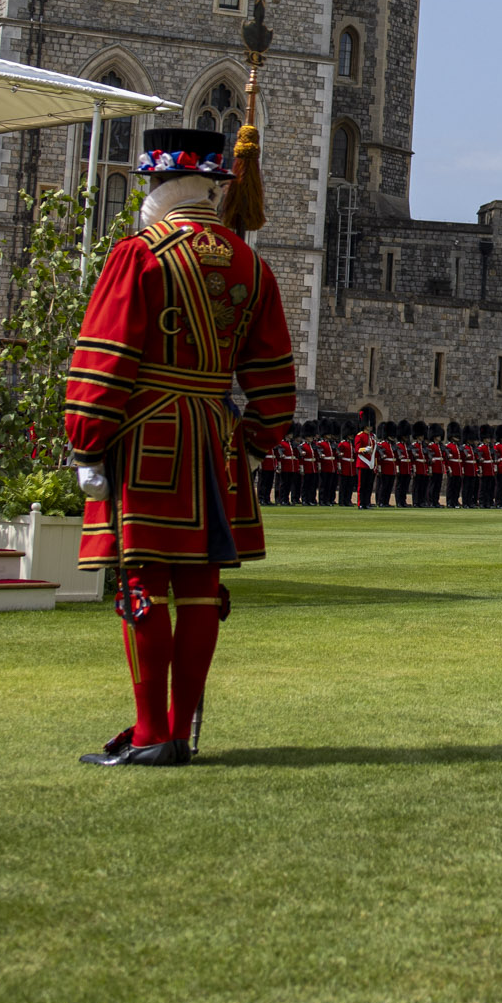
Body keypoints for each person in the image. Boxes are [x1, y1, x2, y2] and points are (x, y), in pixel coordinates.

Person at [63, 124, 299, 768]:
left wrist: (87, 447)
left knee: (141, 583)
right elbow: (275, 375)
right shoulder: (251, 263)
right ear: (214, 187)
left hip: (149, 439)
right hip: (216, 442)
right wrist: (253, 442)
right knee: (199, 588)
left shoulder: (138, 253)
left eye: (152, 183)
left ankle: (148, 734)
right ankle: (177, 729)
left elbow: (104, 357)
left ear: (166, 185)